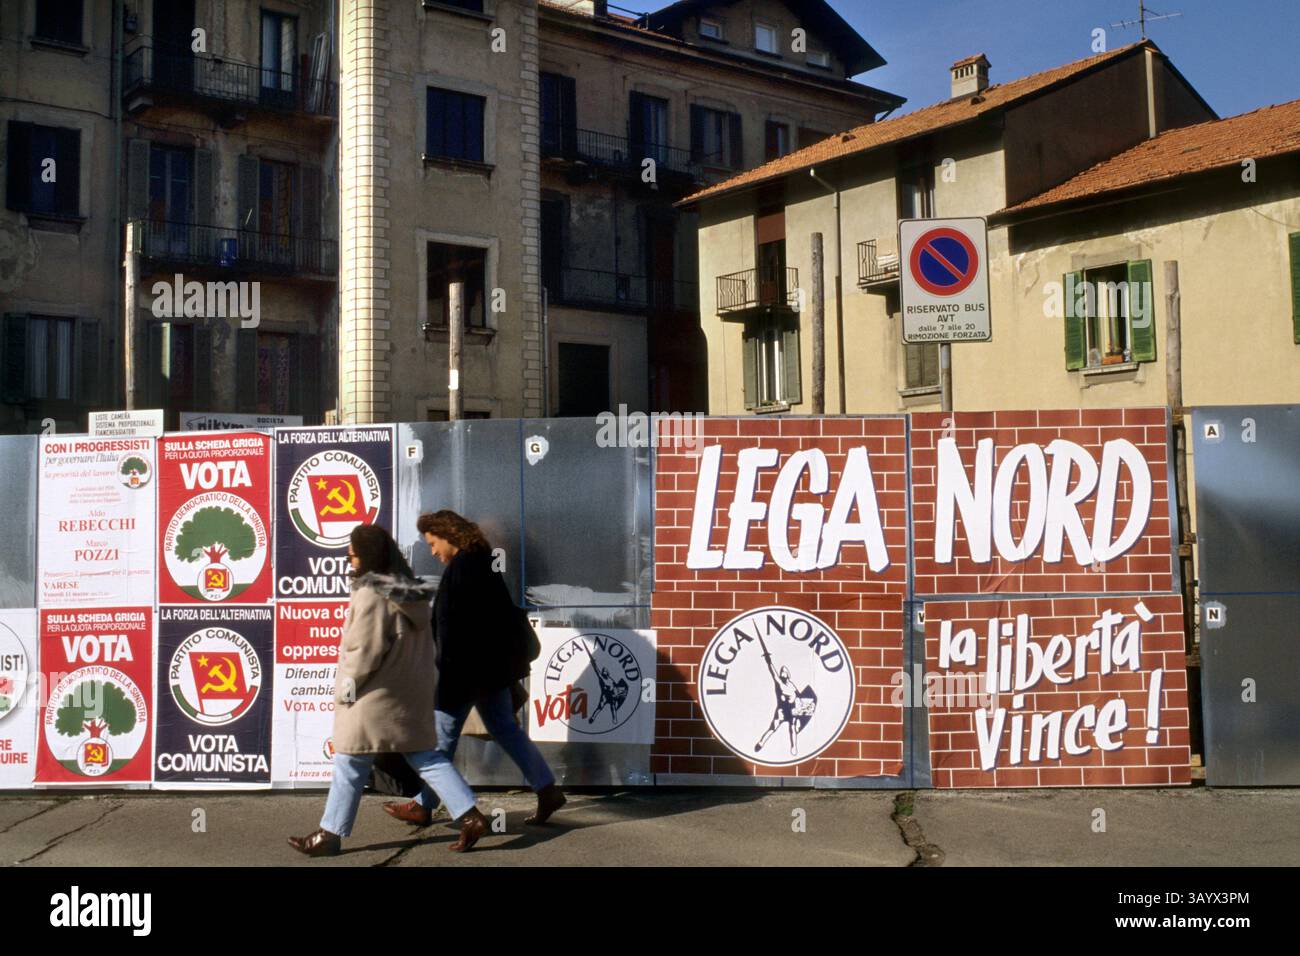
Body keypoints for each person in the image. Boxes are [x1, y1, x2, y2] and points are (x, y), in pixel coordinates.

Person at [288, 524, 490, 857]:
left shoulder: (371, 593)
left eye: (351, 554)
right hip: (407, 695)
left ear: (366, 555)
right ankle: (471, 817)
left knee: (349, 761)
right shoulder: (409, 591)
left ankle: (330, 835)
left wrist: (345, 694)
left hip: (373, 698)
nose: (350, 560)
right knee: (425, 757)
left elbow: (362, 652)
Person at [383, 509, 566, 828]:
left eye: (432, 542)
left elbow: (460, 629)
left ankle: (427, 805)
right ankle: (547, 790)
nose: (432, 550)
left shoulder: (465, 568)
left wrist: (447, 673)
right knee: (505, 730)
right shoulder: (478, 563)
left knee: (440, 739)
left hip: (464, 674)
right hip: (487, 672)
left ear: (448, 535)